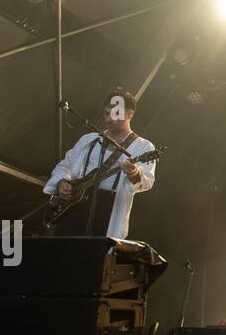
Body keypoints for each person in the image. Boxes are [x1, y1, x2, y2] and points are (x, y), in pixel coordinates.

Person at [44, 88, 157, 239]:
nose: (109, 119)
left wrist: (134, 172)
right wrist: (62, 182)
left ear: (130, 114)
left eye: (116, 114)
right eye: (106, 114)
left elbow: (146, 181)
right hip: (74, 206)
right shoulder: (88, 139)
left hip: (108, 213)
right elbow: (65, 164)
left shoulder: (143, 147)